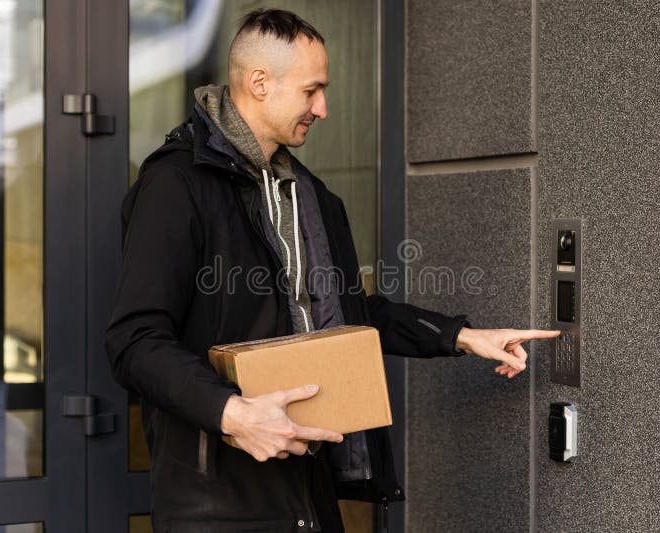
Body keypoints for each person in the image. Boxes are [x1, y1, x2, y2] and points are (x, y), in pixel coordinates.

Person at [105, 8, 559, 533]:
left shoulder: (312, 197)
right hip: (216, 504)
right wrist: (235, 414)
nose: (323, 108)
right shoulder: (175, 186)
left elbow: (350, 313)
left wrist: (462, 336)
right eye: (311, 90)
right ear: (259, 83)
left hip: (308, 492)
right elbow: (134, 341)